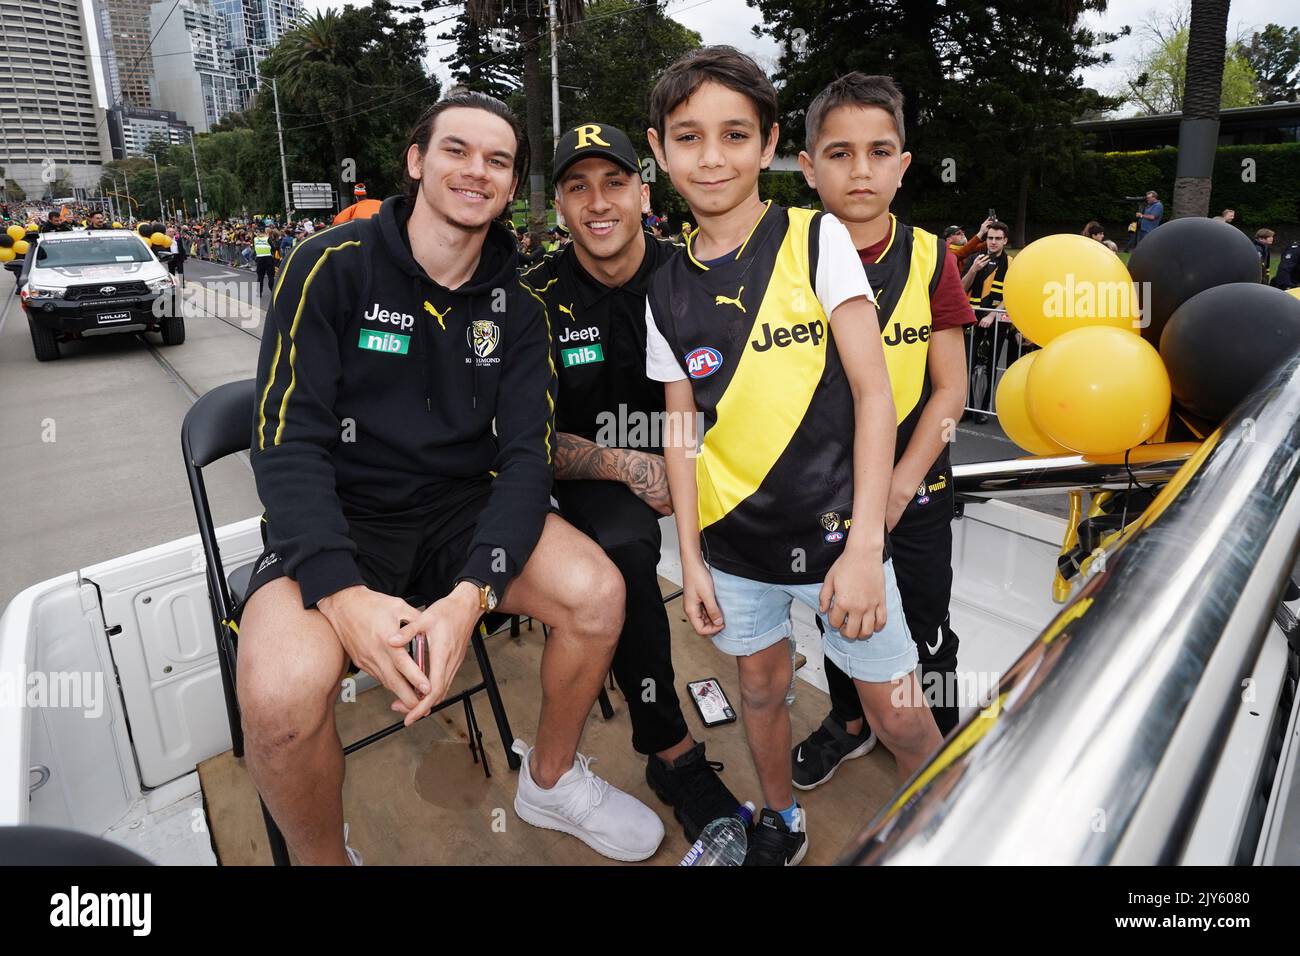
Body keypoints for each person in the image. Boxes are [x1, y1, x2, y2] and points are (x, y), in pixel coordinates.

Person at [240, 91, 664, 865]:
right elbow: (285, 440)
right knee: (277, 704)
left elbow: (527, 462)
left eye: (497, 160)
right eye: (456, 151)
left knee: (600, 593)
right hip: (342, 520)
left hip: (463, 514)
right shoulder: (327, 265)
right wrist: (341, 593)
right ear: (416, 162)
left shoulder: (520, 306)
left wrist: (473, 596)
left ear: (511, 188)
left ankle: (551, 780)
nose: (477, 171)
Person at [644, 45, 941, 865]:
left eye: (735, 134)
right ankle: (780, 819)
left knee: (902, 716)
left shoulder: (817, 240)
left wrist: (867, 547)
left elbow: (876, 394)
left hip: (847, 545)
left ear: (770, 143)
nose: (713, 157)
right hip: (736, 552)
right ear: (660, 149)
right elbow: (680, 433)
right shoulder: (663, 287)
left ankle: (954, 824)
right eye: (689, 136)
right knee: (761, 691)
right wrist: (692, 561)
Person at [519, 122, 739, 842]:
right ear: (557, 208)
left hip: (706, 451)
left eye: (614, 181)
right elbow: (521, 439)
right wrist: (624, 464)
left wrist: (684, 462)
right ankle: (671, 751)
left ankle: (850, 706)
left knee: (808, 507)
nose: (598, 201)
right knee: (622, 551)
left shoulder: (695, 274)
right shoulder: (533, 296)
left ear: (644, 191)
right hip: (598, 469)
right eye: (577, 187)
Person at [791, 72, 971, 790]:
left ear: (903, 164)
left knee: (925, 623)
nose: (859, 170)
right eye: (838, 153)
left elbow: (952, 390)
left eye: (878, 151)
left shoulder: (931, 257)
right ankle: (851, 721)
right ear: (808, 167)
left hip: (915, 491)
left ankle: (945, 737)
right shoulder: (787, 255)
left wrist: (899, 484)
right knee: (843, 618)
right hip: (827, 492)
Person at [962, 220, 1013, 421]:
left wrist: (993, 315)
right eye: (990, 238)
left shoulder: (1010, 263)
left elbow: (1012, 293)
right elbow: (960, 288)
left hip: (997, 322)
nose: (993, 242)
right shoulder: (975, 258)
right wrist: (973, 270)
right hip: (972, 321)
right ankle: (966, 407)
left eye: (998, 239)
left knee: (990, 366)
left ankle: (982, 410)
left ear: (1005, 241)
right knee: (968, 365)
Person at [252, 225, 275, 295]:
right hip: (268, 259)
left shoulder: (255, 239)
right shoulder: (267, 239)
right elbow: (273, 248)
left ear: (258, 232)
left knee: (260, 277)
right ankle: (272, 292)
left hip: (259, 259)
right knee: (270, 276)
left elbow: (254, 248)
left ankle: (259, 292)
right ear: (264, 232)